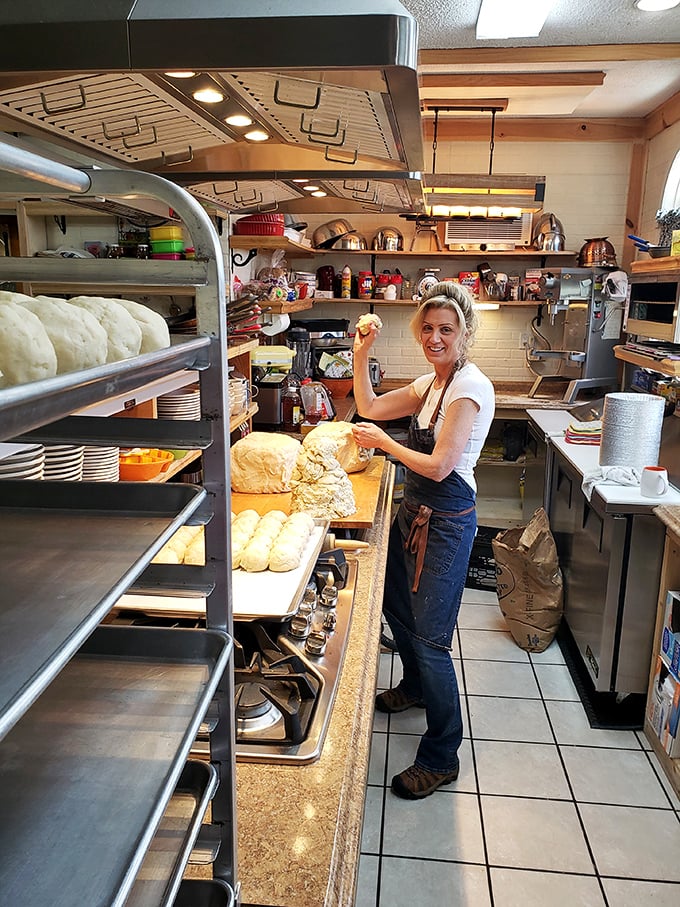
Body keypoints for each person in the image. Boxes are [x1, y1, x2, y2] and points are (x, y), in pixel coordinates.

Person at [351, 282, 495, 800]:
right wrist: (362, 350)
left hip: (448, 522)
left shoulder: (468, 389)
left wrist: (386, 446)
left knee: (432, 640)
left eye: (446, 330)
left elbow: (440, 464)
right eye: (428, 329)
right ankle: (413, 688)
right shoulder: (432, 382)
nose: (435, 338)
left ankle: (441, 756)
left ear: (464, 334)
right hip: (416, 513)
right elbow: (368, 405)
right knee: (395, 606)